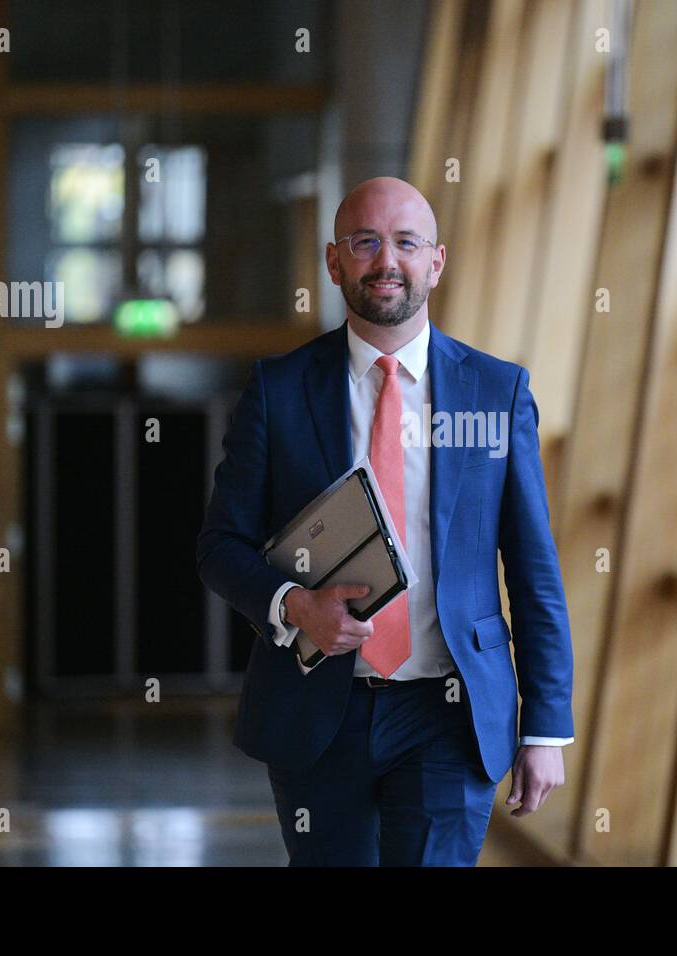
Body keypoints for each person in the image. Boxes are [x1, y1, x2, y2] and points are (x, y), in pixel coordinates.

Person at [197, 176, 574, 866]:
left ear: (436, 261)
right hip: (318, 713)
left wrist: (546, 726)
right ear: (334, 262)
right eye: (365, 243)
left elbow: (533, 569)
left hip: (449, 714)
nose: (386, 261)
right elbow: (220, 545)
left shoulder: (497, 391)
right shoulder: (279, 390)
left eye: (406, 242)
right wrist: (295, 605)